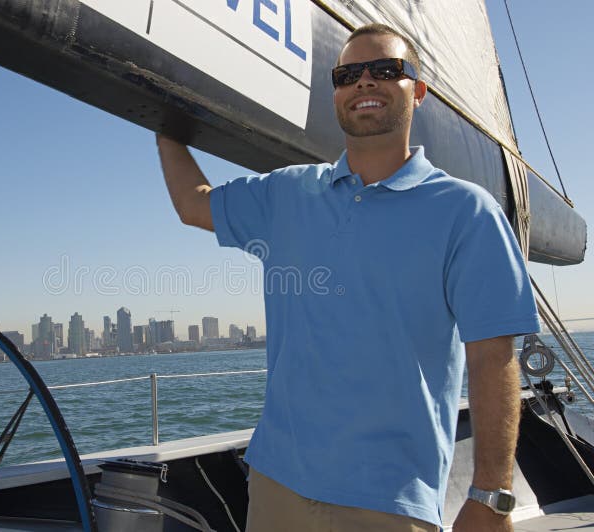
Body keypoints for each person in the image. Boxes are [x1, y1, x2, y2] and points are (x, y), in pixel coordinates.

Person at [156, 23, 539, 532]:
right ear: (337, 92)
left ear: (418, 91)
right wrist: (157, 111)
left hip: (390, 500)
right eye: (348, 74)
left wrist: (492, 495)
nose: (364, 82)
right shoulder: (287, 194)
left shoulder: (467, 212)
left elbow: (493, 359)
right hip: (276, 485)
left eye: (385, 70)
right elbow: (192, 204)